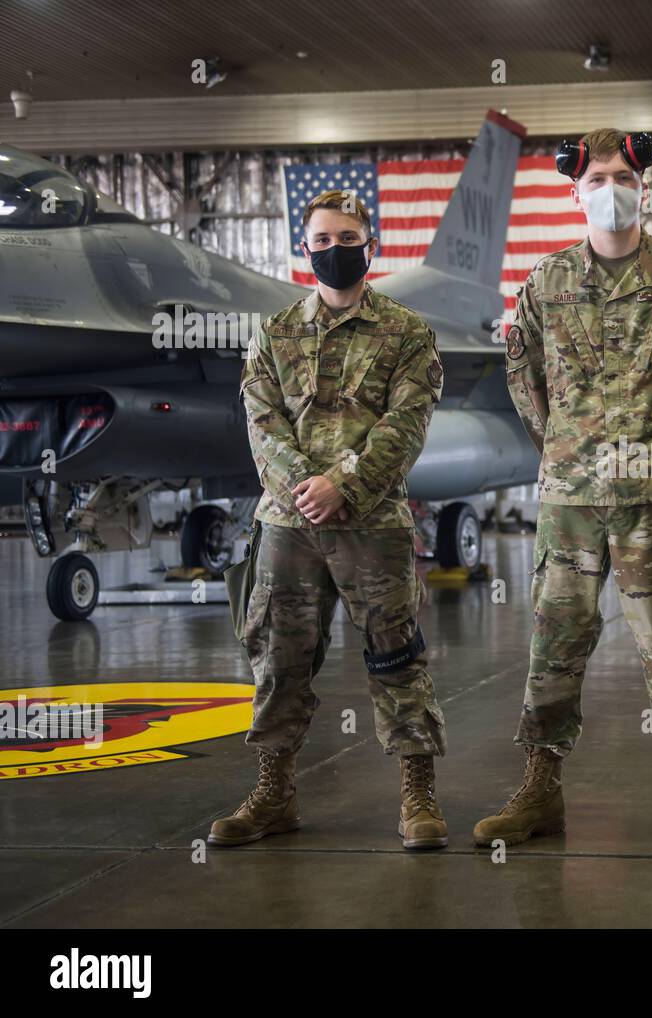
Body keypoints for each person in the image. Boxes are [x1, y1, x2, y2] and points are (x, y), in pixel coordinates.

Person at [474, 128, 652, 854]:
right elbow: (523, 378)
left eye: (622, 176)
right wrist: (565, 452)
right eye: (596, 177)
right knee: (555, 646)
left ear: (644, 186)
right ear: (576, 191)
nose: (610, 188)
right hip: (571, 500)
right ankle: (539, 790)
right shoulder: (547, 283)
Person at [209, 189, 448, 851]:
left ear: (369, 245)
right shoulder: (276, 332)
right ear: (304, 246)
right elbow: (262, 426)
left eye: (348, 239)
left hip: (372, 523)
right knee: (277, 659)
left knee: (396, 658)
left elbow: (406, 425)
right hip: (288, 525)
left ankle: (418, 795)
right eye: (323, 240)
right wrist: (304, 489)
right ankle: (273, 793)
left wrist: (343, 484)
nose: (334, 250)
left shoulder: (407, 332)